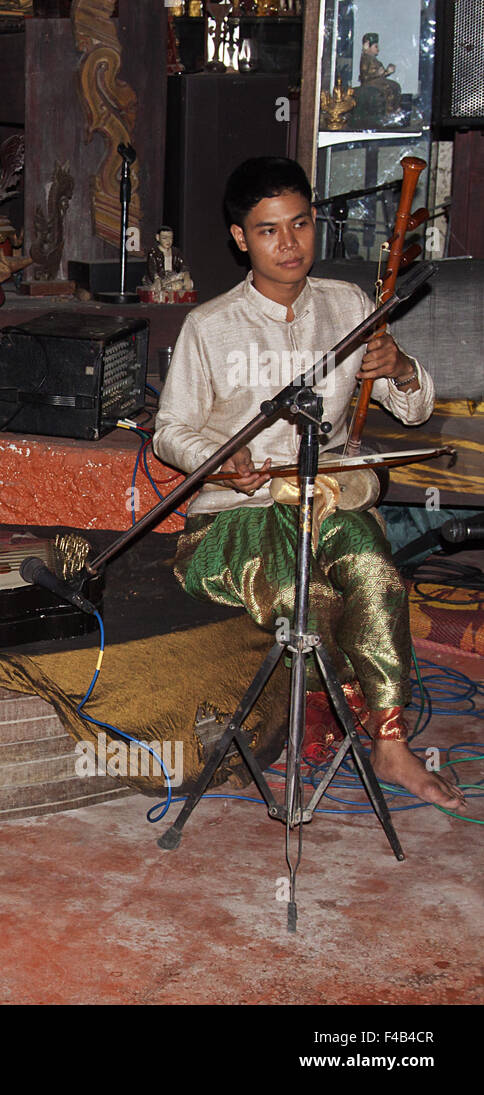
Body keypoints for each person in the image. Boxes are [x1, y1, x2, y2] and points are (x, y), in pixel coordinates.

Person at [153, 156, 464, 810]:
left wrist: (401, 366)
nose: (288, 243)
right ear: (241, 238)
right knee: (307, 590)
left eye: (299, 224)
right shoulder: (209, 327)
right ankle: (300, 724)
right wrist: (219, 459)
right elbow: (170, 430)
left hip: (328, 501)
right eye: (268, 231)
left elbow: (417, 407)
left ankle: (389, 741)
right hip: (235, 517)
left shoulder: (349, 306)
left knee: (375, 569)